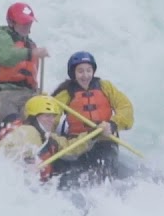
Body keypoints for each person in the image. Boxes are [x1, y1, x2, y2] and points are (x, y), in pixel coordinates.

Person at [50, 51, 134, 181]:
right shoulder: (66, 93)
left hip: (104, 139)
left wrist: (112, 124)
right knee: (69, 173)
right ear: (73, 73)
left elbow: (125, 107)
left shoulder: (106, 87)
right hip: (78, 142)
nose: (85, 75)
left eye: (89, 70)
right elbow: (50, 115)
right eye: (80, 71)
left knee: (101, 169)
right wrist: (47, 134)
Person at [0, 2, 50, 121]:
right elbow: (5, 56)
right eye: (23, 22)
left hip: (28, 94)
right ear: (11, 22)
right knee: (13, 119)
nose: (27, 25)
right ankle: (10, 130)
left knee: (43, 118)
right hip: (3, 92)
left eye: (29, 22)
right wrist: (32, 53)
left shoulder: (31, 44)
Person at [0, 95, 69, 182]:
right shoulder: (28, 131)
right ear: (34, 117)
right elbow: (3, 153)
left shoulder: (47, 135)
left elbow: (69, 147)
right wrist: (27, 162)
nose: (52, 120)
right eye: (47, 116)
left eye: (53, 116)